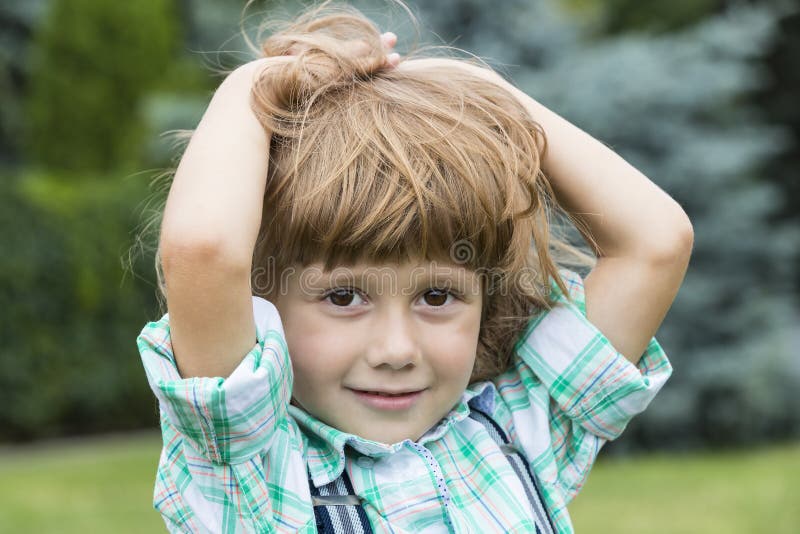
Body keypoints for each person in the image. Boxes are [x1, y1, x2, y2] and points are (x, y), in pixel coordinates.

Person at [137, 1, 692, 532]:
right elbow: (203, 252)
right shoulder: (250, 475)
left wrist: (484, 92)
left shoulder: (519, 432)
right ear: (261, 304)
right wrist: (258, 83)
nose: (397, 351)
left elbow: (656, 244)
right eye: (343, 297)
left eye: (437, 297)